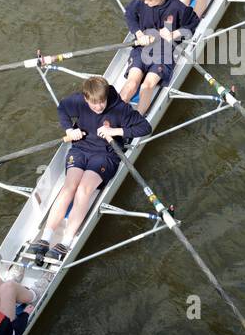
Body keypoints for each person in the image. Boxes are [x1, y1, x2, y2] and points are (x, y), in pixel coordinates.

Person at [27, 75, 153, 265]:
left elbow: (145, 127)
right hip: (80, 149)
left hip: (105, 155)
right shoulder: (78, 101)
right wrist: (69, 129)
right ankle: (45, 238)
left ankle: (66, 242)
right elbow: (62, 108)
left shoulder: (120, 108)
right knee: (69, 187)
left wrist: (116, 132)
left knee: (83, 189)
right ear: (86, 99)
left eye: (102, 102)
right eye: (94, 104)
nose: (99, 107)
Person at [120, 0, 200, 113]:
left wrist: (174, 34)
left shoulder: (178, 7)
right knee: (132, 83)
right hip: (142, 49)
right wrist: (139, 33)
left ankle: (136, 124)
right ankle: (113, 117)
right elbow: (129, 13)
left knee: (147, 85)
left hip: (164, 54)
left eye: (149, 1)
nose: (145, 3)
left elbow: (193, 22)